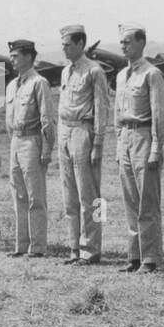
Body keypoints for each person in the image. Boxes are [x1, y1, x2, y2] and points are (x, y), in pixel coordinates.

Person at [114, 25, 164, 273]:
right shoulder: (121, 75)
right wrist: (118, 143)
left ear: (141, 43)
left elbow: (158, 114)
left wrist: (156, 147)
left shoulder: (151, 74)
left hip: (144, 135)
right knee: (130, 201)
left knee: (147, 200)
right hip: (126, 136)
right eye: (121, 42)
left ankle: (151, 257)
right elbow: (117, 114)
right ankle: (134, 256)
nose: (123, 46)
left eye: (127, 42)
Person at [57, 24, 110, 265]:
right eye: (63, 44)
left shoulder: (94, 71)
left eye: (68, 44)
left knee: (93, 197)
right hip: (65, 132)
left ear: (81, 44)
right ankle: (74, 248)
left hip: (84, 132)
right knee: (70, 197)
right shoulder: (66, 71)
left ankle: (93, 248)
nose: (64, 49)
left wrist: (98, 143)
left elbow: (102, 108)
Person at [4, 39, 54, 258]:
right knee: (19, 196)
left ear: (27, 57)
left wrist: (46, 149)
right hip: (15, 141)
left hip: (32, 141)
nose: (12, 60)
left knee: (35, 197)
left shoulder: (39, 82)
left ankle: (37, 246)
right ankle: (21, 245)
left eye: (15, 56)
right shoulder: (12, 85)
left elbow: (46, 118)